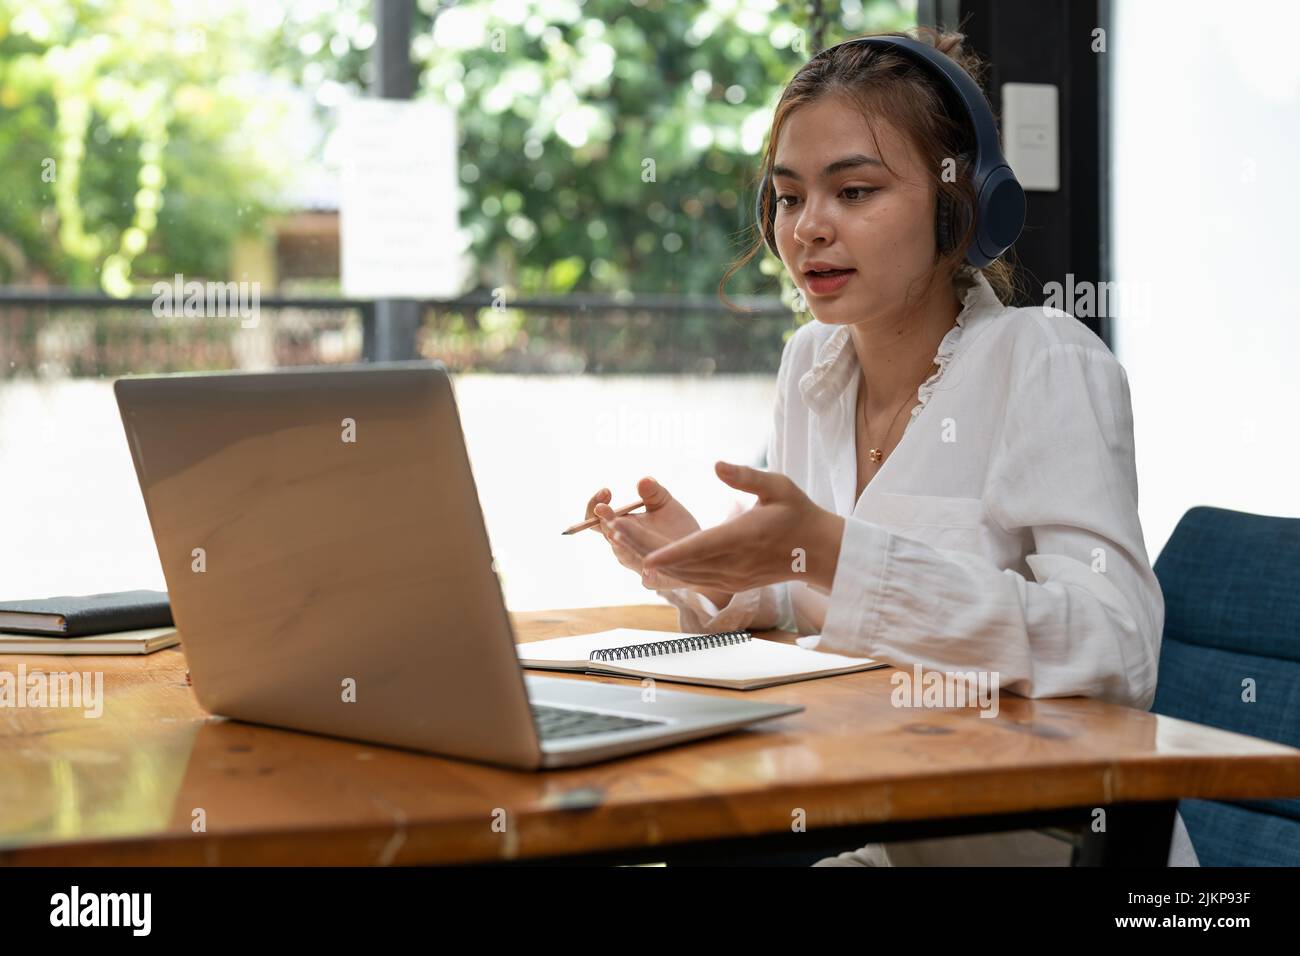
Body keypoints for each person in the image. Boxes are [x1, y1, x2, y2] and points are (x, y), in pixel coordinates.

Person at [582, 26, 1196, 867]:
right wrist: (717, 568)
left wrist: (830, 550)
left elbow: (1115, 650)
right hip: (876, 839)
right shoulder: (810, 365)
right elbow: (820, 604)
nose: (809, 229)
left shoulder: (1043, 360)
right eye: (790, 197)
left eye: (856, 192)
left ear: (960, 207)